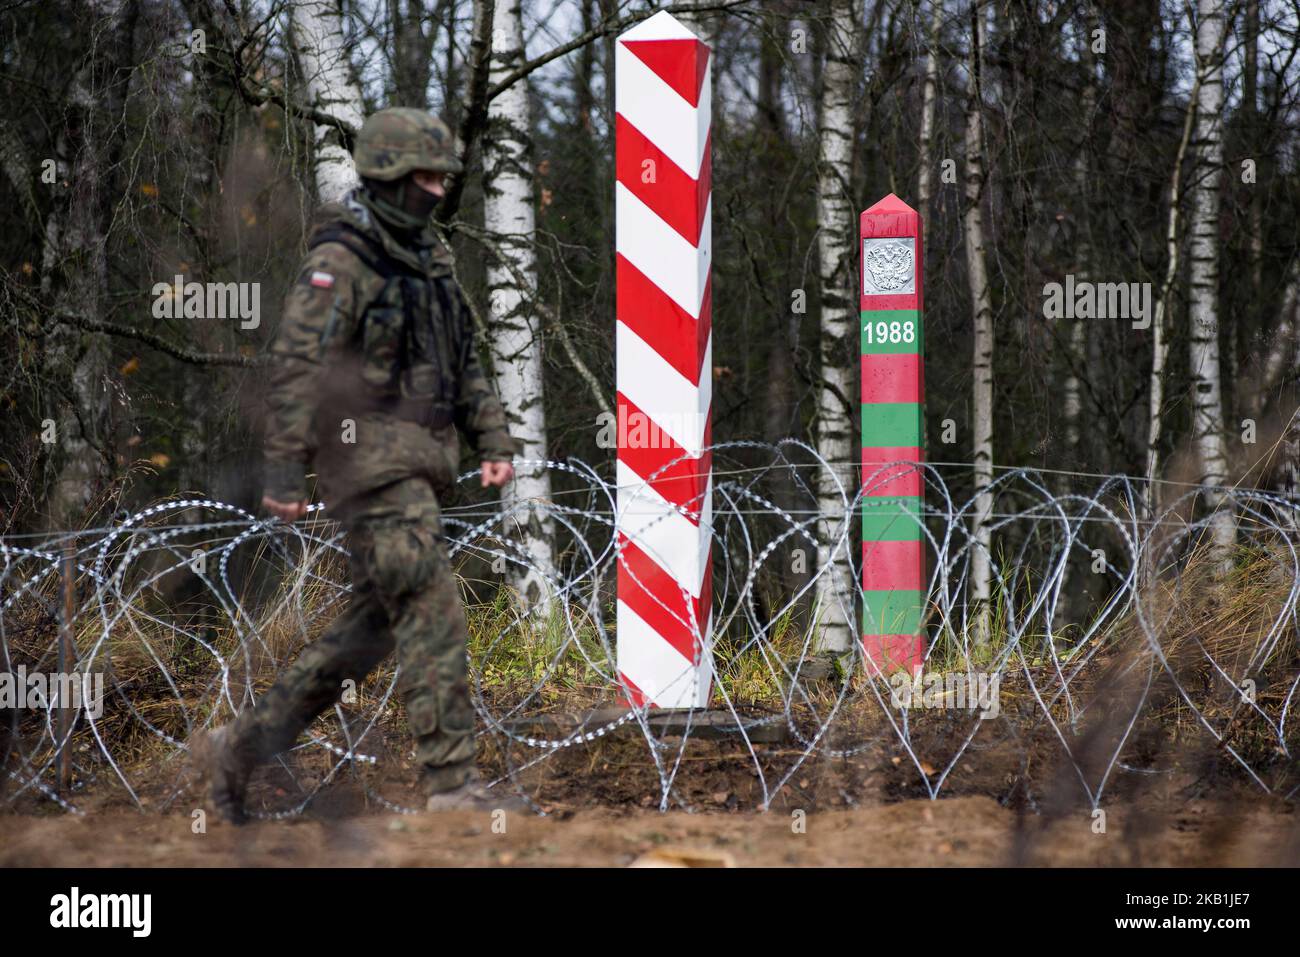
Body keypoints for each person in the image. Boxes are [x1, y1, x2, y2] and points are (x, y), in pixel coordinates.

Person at [192, 107, 525, 823]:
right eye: (426, 177)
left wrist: (494, 442)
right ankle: (451, 785)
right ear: (390, 178)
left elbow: (463, 360)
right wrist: (284, 473)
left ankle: (238, 748)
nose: (438, 190)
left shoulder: (433, 260)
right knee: (432, 600)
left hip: (423, 459)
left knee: (361, 638)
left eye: (443, 177)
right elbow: (296, 371)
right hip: (367, 466)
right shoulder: (339, 263)